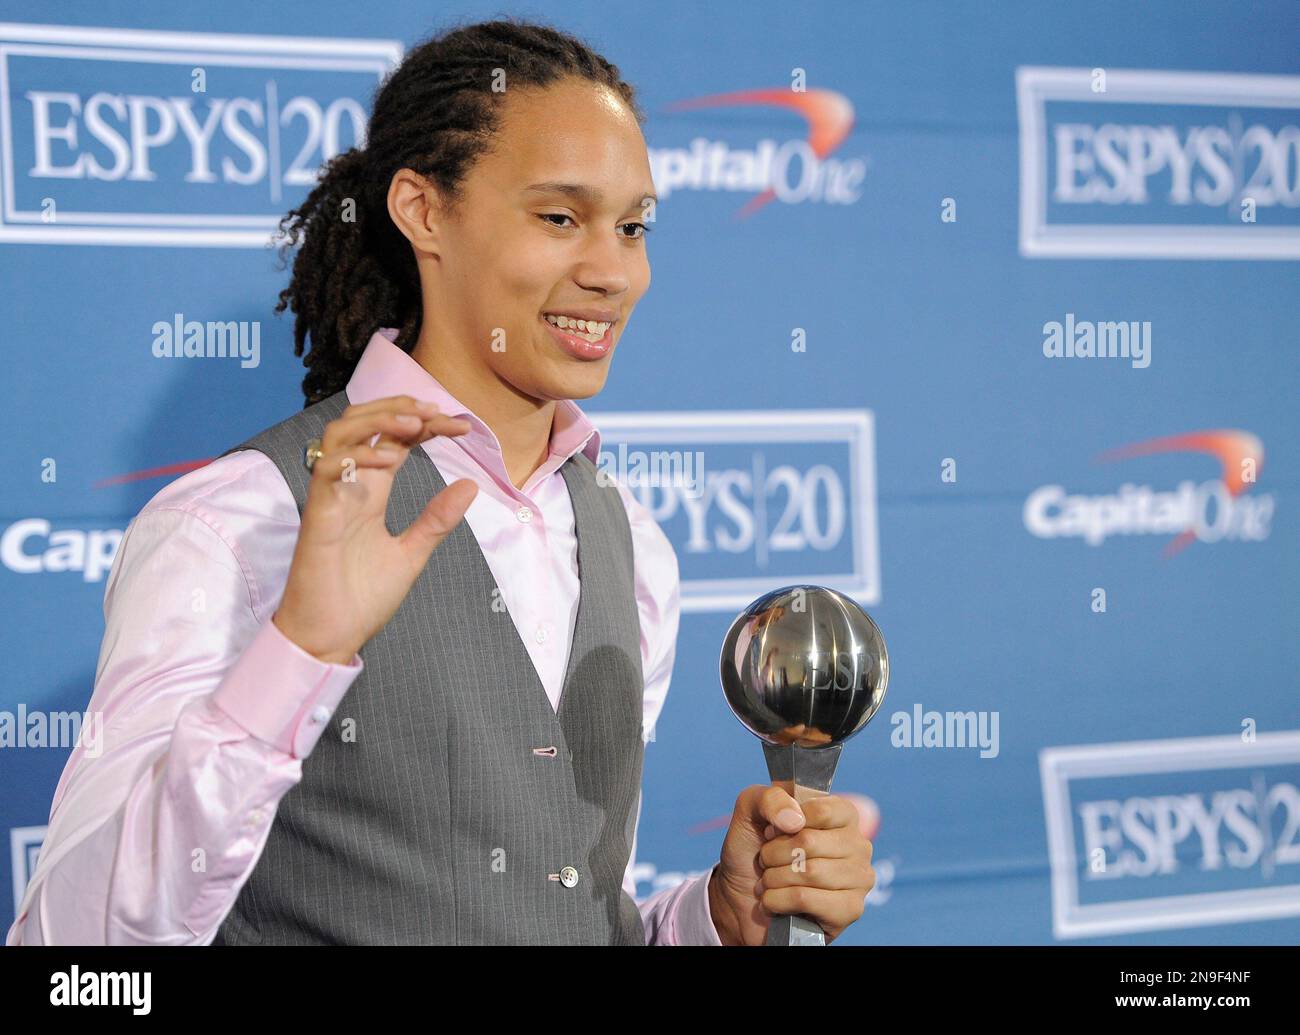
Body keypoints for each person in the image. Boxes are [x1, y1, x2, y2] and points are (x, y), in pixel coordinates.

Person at [7, 18, 874, 946]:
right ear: (422, 211)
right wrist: (298, 648)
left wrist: (713, 918)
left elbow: (564, 907)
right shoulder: (240, 524)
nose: (611, 272)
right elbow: (71, 953)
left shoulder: (633, 545)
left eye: (633, 227)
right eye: (559, 217)